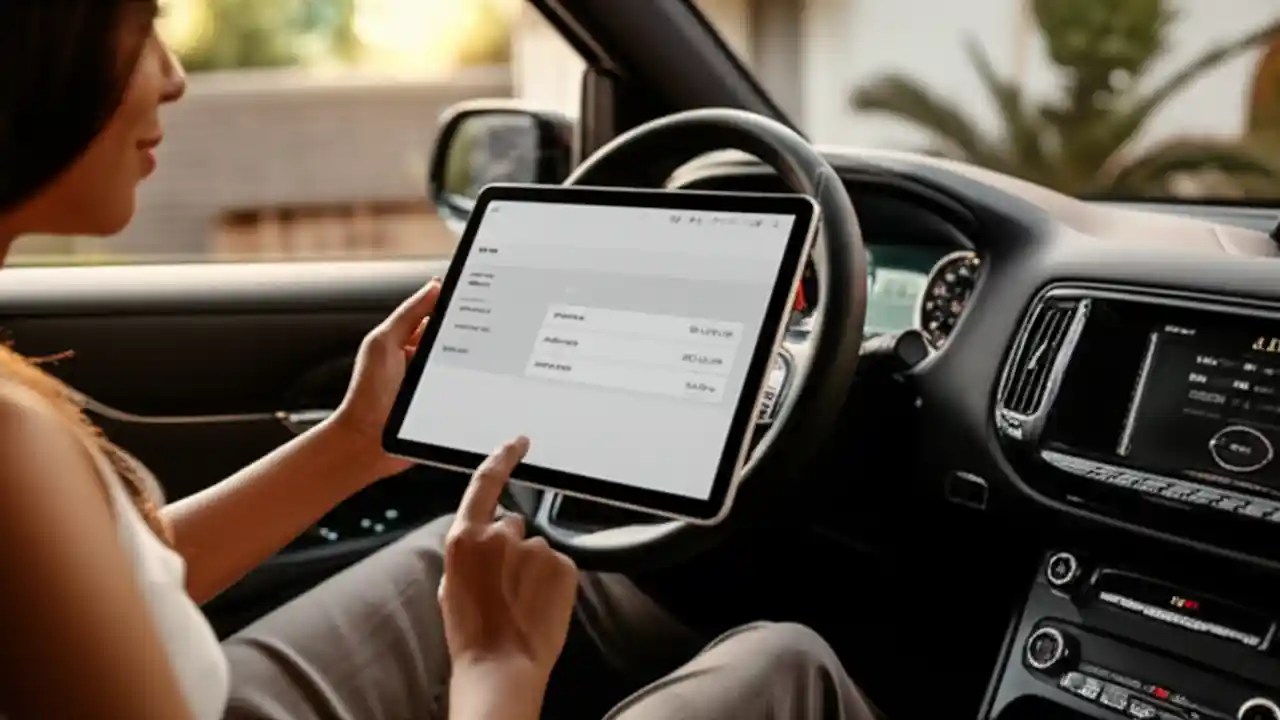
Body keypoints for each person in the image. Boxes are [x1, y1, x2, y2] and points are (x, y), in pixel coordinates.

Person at [0, 3, 882, 719]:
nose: (174, 73)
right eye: (141, 21)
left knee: (503, 559)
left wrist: (353, 443)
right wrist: (497, 673)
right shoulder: (13, 442)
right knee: (785, 668)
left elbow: (113, 583)